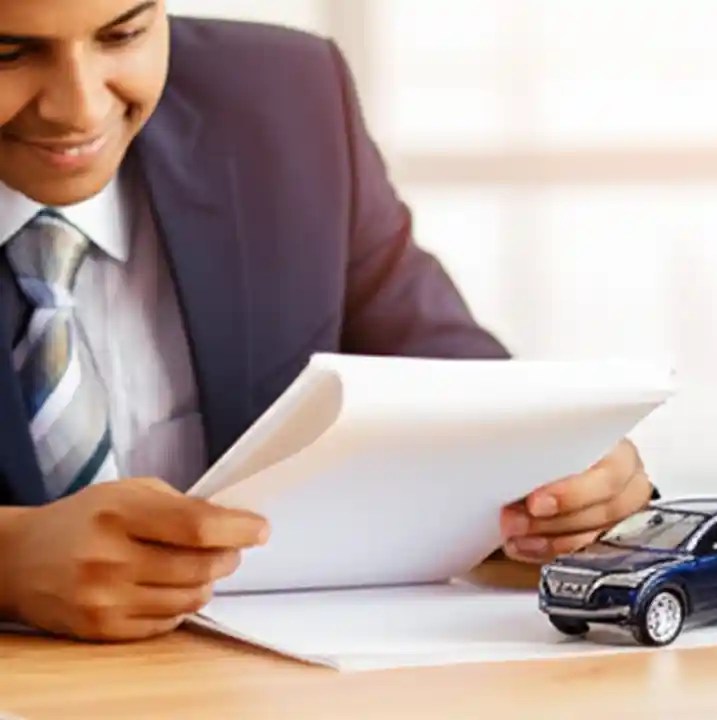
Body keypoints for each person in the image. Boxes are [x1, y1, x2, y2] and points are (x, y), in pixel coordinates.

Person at [0, 0, 655, 642]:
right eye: (8, 53)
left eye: (123, 34)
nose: (78, 108)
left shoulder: (283, 98)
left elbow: (458, 390)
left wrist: (564, 480)